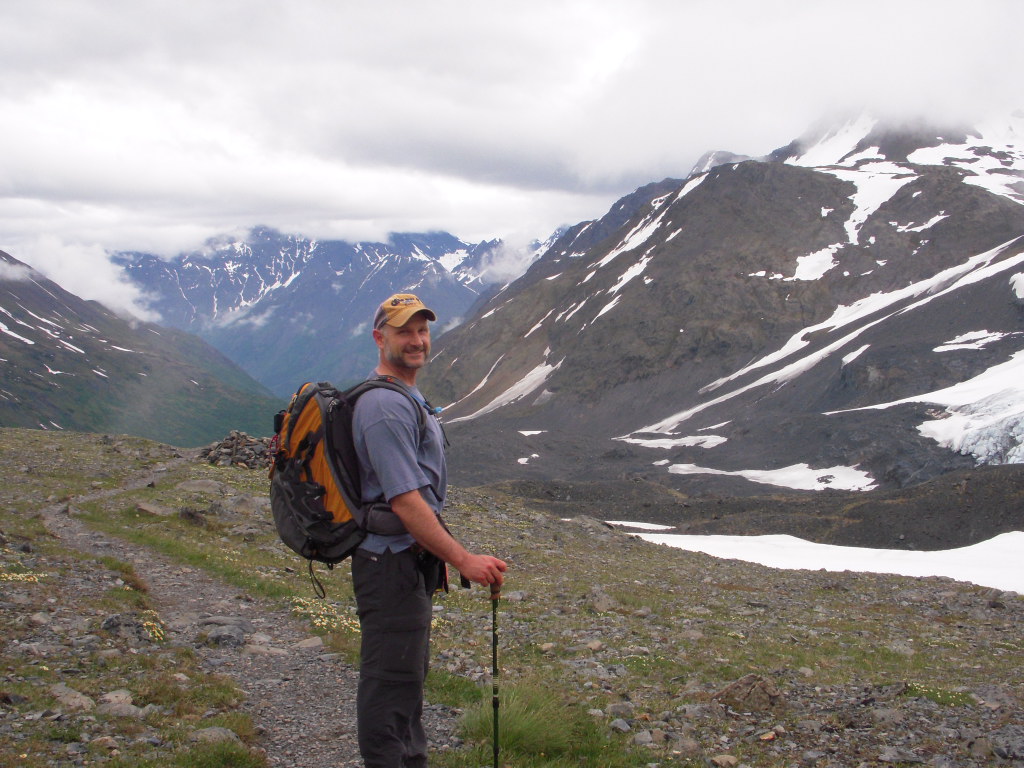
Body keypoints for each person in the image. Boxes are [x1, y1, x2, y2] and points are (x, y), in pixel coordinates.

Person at [351, 292, 507, 768]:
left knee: (406, 678)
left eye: (422, 330)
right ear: (380, 339)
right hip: (389, 563)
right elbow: (406, 501)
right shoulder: (385, 407)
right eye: (404, 332)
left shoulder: (405, 396)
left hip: (405, 560)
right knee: (390, 683)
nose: (417, 340)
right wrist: (462, 560)